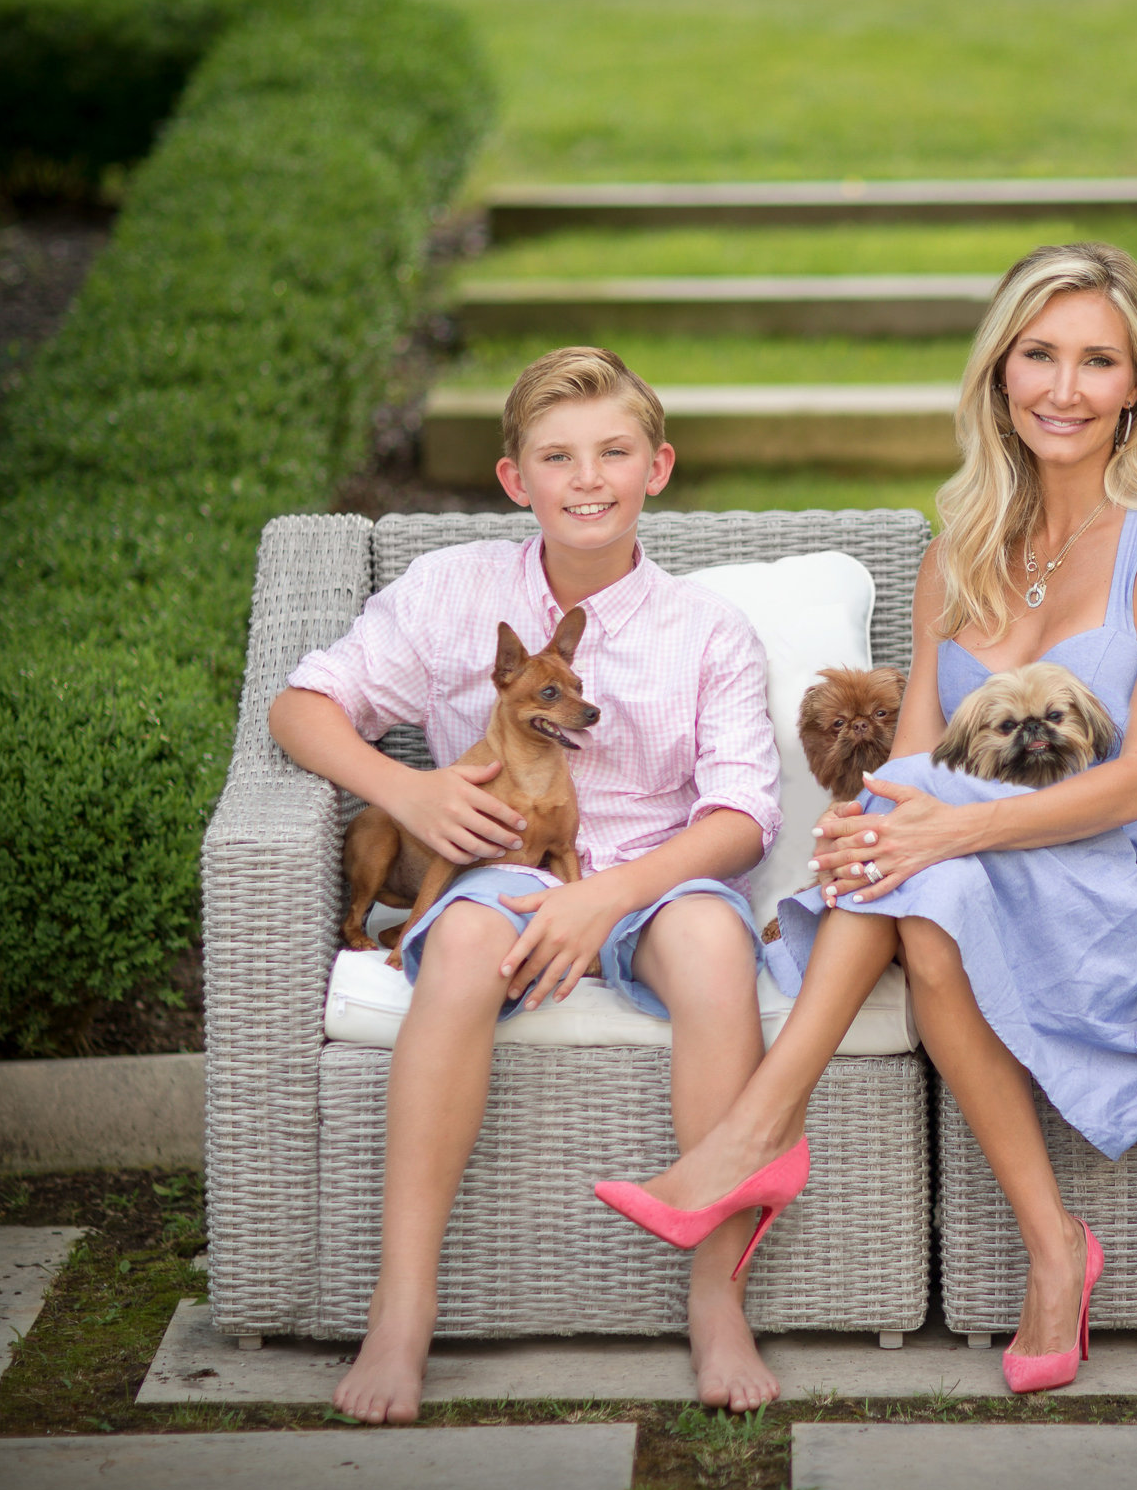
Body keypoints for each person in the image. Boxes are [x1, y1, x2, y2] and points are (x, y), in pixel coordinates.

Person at [593, 243, 1137, 1393]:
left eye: (1096, 361)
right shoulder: (956, 553)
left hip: (1136, 870)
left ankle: (756, 1134)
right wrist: (871, 831)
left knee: (925, 844)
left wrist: (931, 826)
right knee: (915, 871)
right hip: (972, 873)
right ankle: (1054, 1248)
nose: (1062, 386)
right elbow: (910, 760)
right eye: (1037, 354)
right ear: (998, 373)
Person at [271, 347, 785, 1422]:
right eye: (557, 455)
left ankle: (715, 1298)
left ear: (658, 466)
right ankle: (401, 1304)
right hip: (501, 871)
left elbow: (741, 818)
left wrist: (605, 894)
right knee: (457, 945)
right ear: (515, 479)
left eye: (612, 451)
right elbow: (302, 706)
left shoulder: (705, 629)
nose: (586, 477)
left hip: (651, 873)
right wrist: (406, 792)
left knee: (712, 943)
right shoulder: (453, 590)